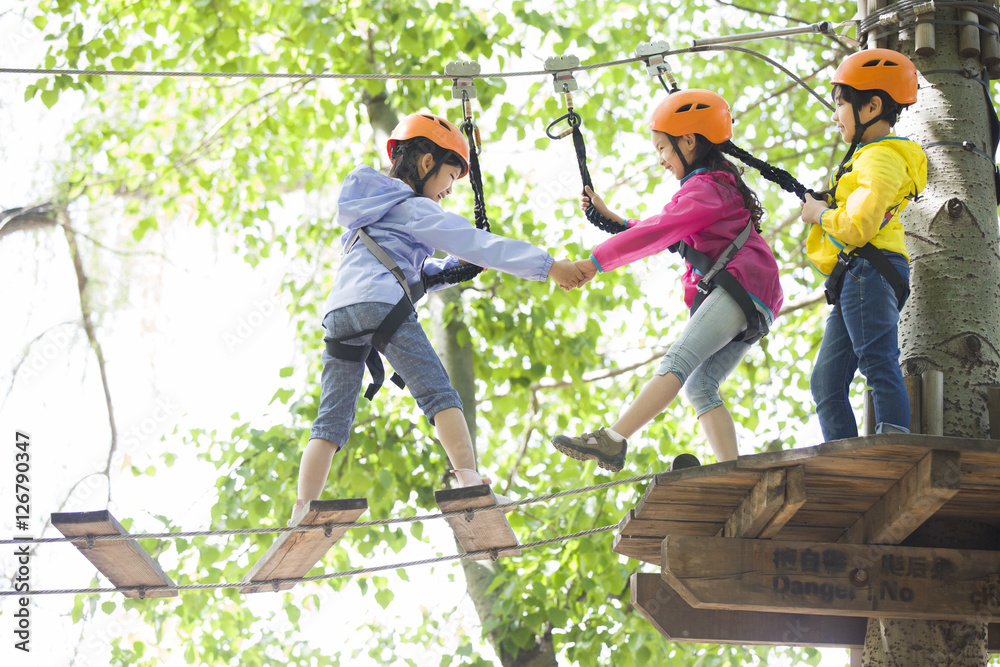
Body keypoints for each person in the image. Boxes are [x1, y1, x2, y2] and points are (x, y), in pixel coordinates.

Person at [293, 112, 585, 520]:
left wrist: (451, 270)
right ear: (427, 163)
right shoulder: (414, 208)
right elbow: (475, 242)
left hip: (341, 312)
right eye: (450, 175)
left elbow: (405, 270)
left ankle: (303, 509)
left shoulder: (370, 210)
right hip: (382, 306)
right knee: (437, 392)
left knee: (330, 420)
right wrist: (548, 266)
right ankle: (470, 482)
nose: (450, 189)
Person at [550, 89, 783, 472]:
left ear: (688, 141)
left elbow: (661, 230)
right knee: (699, 386)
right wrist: (614, 219)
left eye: (662, 148)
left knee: (678, 359)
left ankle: (613, 439)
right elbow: (665, 230)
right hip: (755, 294)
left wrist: (595, 262)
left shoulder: (706, 187)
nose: (660, 160)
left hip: (742, 286)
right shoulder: (712, 187)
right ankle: (733, 473)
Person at [800, 48, 926, 441]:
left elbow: (858, 226)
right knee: (825, 381)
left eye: (840, 105)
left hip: (868, 271)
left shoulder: (879, 159)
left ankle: (893, 446)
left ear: (872, 106)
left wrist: (818, 215)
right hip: (860, 275)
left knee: (878, 363)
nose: (835, 116)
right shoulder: (872, 160)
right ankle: (844, 455)